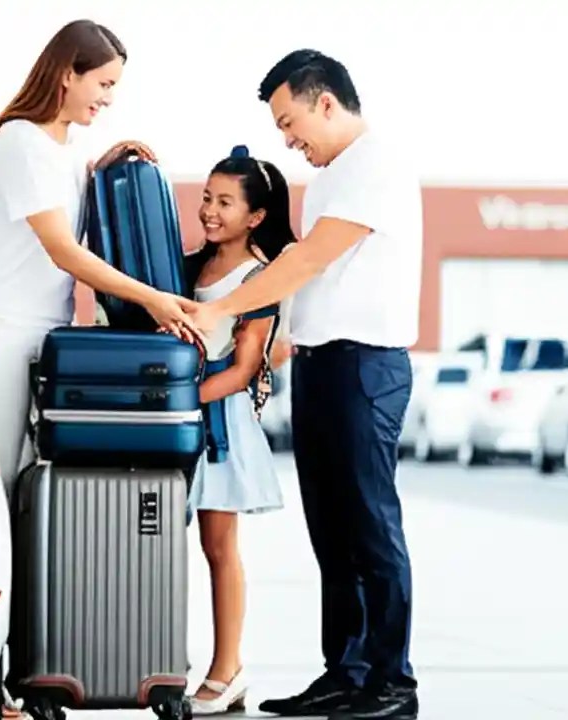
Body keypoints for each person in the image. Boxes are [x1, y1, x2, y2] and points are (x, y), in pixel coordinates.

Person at [0, 19, 199, 719]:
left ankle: (30, 666)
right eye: (104, 83)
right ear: (68, 73)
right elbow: (63, 249)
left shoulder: (68, 149)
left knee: (38, 504)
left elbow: (82, 213)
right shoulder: (21, 139)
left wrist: (111, 162)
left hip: (50, 336)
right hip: (1, 334)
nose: (109, 98)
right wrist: (150, 295)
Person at [186, 50, 423, 720]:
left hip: (364, 367)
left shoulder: (374, 164)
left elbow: (311, 259)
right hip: (322, 365)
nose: (289, 140)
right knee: (332, 533)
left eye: (291, 123)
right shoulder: (331, 178)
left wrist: (219, 309)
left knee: (370, 528)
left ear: (325, 102)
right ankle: (344, 672)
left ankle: (390, 683)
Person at [180, 148, 294, 715]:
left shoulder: (261, 277)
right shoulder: (190, 266)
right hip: (179, 416)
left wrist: (179, 398)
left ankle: (228, 671)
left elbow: (245, 369)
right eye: (206, 197)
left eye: (225, 202)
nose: (209, 210)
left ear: (255, 216)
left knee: (218, 547)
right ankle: (163, 659)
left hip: (217, 419)